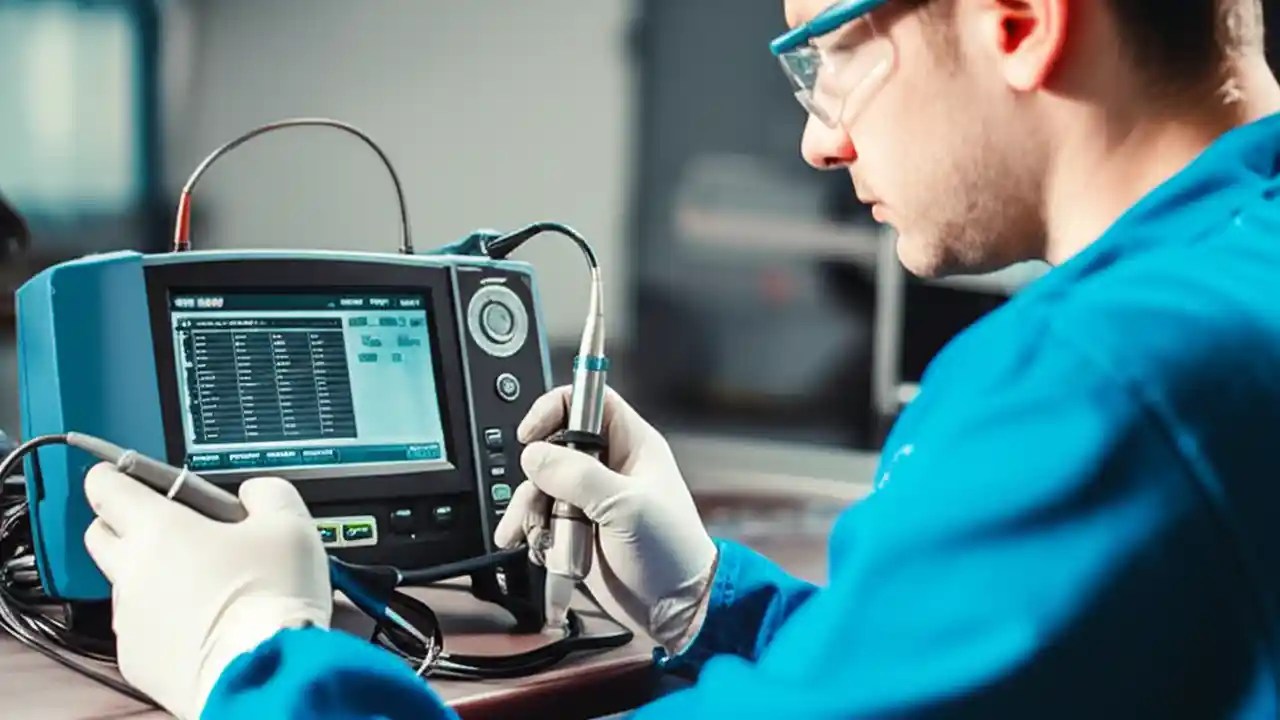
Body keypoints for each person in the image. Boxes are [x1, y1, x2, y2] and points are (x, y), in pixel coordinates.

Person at [81, 0, 1280, 717]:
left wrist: (251, 656)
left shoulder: (1101, 379)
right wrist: (710, 600)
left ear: (1017, 19)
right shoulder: (1234, 281)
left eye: (821, 55)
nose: (818, 138)